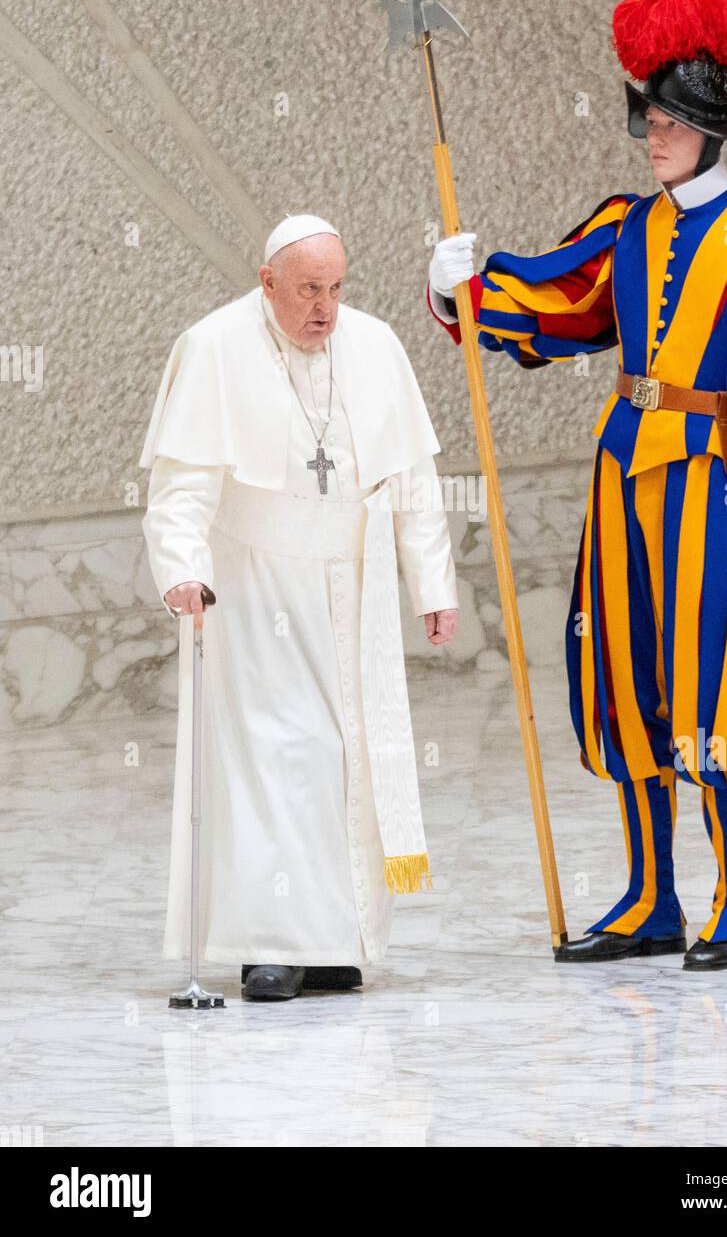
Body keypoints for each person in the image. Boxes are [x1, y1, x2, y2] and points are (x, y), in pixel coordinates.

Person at [424, 0, 727, 971]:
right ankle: (651, 894)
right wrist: (461, 284)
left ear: (709, 127)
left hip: (715, 483)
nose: (651, 137)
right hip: (623, 472)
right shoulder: (628, 223)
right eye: (647, 119)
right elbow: (559, 302)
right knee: (628, 680)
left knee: (718, 686)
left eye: (668, 123)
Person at [140, 213, 459, 1000]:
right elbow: (180, 483)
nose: (326, 307)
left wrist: (434, 587)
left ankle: (335, 940)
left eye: (337, 288)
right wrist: (183, 568)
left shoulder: (375, 346)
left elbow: (411, 481)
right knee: (276, 759)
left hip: (353, 584)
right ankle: (270, 944)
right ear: (267, 283)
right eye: (309, 289)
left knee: (344, 758)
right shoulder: (214, 346)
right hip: (252, 588)